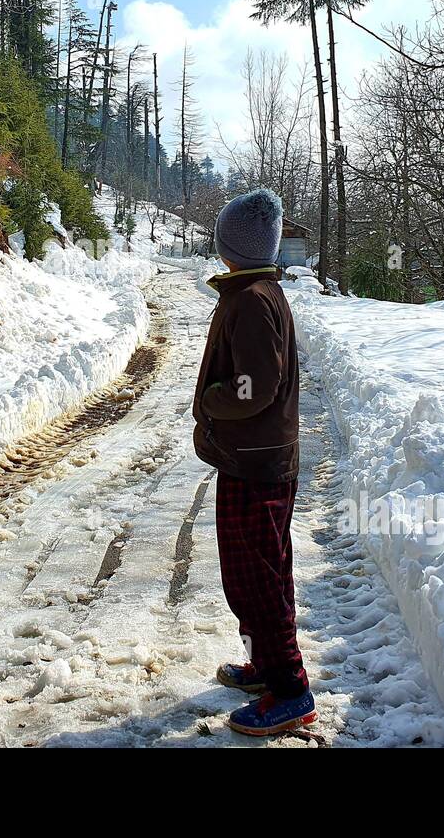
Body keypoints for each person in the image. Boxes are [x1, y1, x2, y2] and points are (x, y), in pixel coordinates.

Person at [192, 188, 316, 736]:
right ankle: (266, 665)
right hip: (256, 457)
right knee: (256, 572)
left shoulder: (251, 301)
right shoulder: (257, 293)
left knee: (257, 579)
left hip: (255, 462)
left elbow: (254, 385)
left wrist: (215, 397)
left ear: (231, 248)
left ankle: (290, 690)